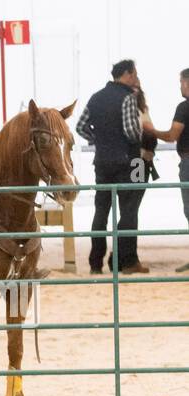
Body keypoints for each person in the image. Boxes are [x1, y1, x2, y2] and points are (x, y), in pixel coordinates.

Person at [76, 59, 149, 274]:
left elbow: (80, 127)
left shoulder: (96, 97)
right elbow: (132, 132)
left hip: (102, 162)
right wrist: (141, 132)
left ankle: (95, 263)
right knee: (129, 210)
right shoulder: (127, 97)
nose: (136, 78)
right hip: (131, 162)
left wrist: (98, 139)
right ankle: (124, 261)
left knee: (101, 212)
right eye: (134, 74)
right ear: (126, 74)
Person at [143, 68, 189, 272]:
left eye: (181, 82)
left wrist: (151, 131)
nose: (180, 86)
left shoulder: (184, 107)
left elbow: (172, 135)